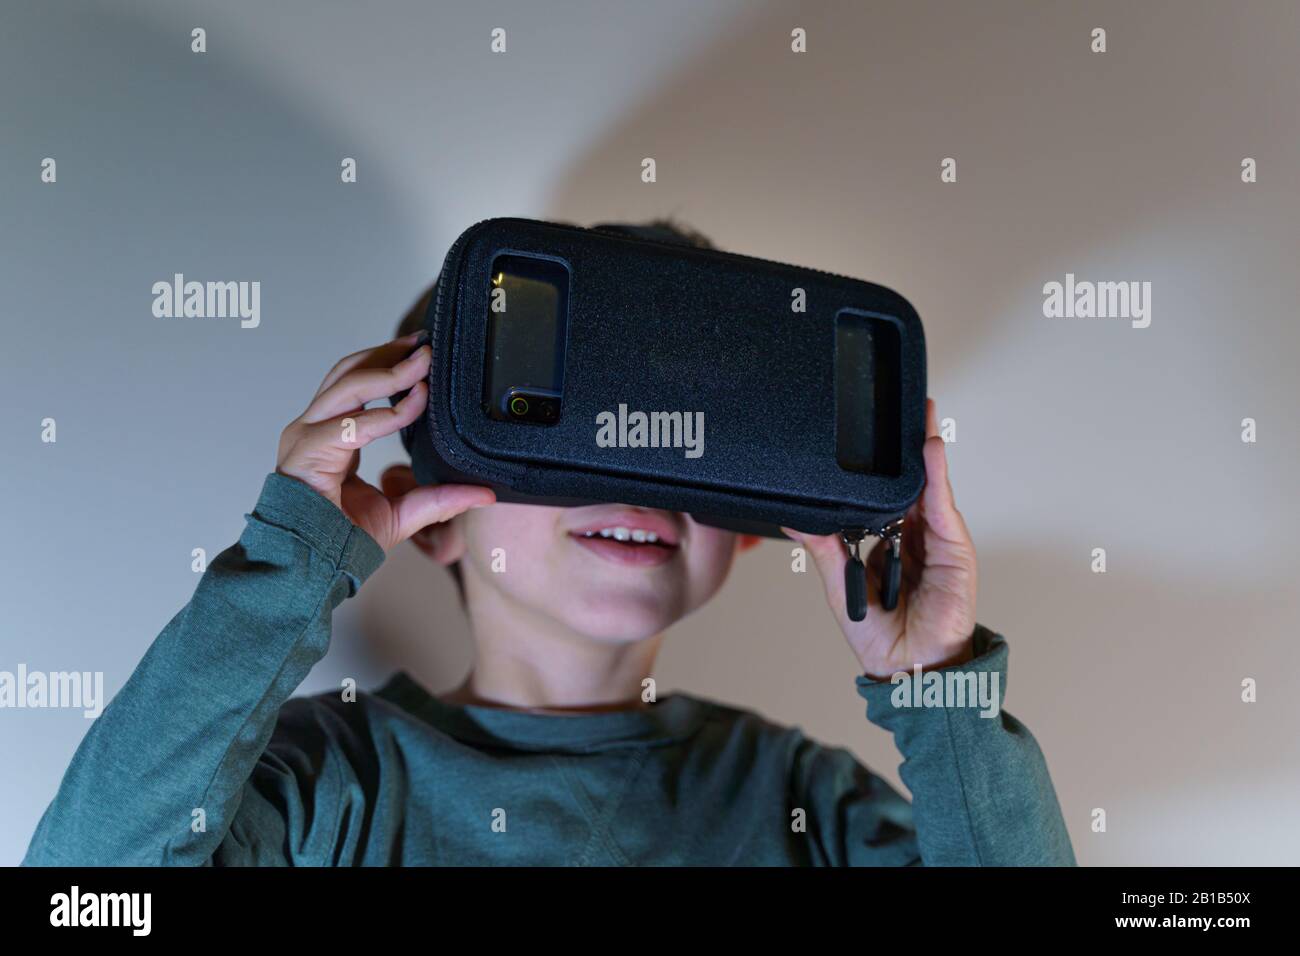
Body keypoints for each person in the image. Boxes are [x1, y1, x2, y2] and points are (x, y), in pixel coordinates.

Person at [23, 220, 1074, 866]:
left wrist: (942, 691)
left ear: (747, 536)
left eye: (683, 446)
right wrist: (294, 554)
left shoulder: (803, 800)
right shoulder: (326, 778)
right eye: (569, 434)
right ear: (429, 518)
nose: (628, 471)